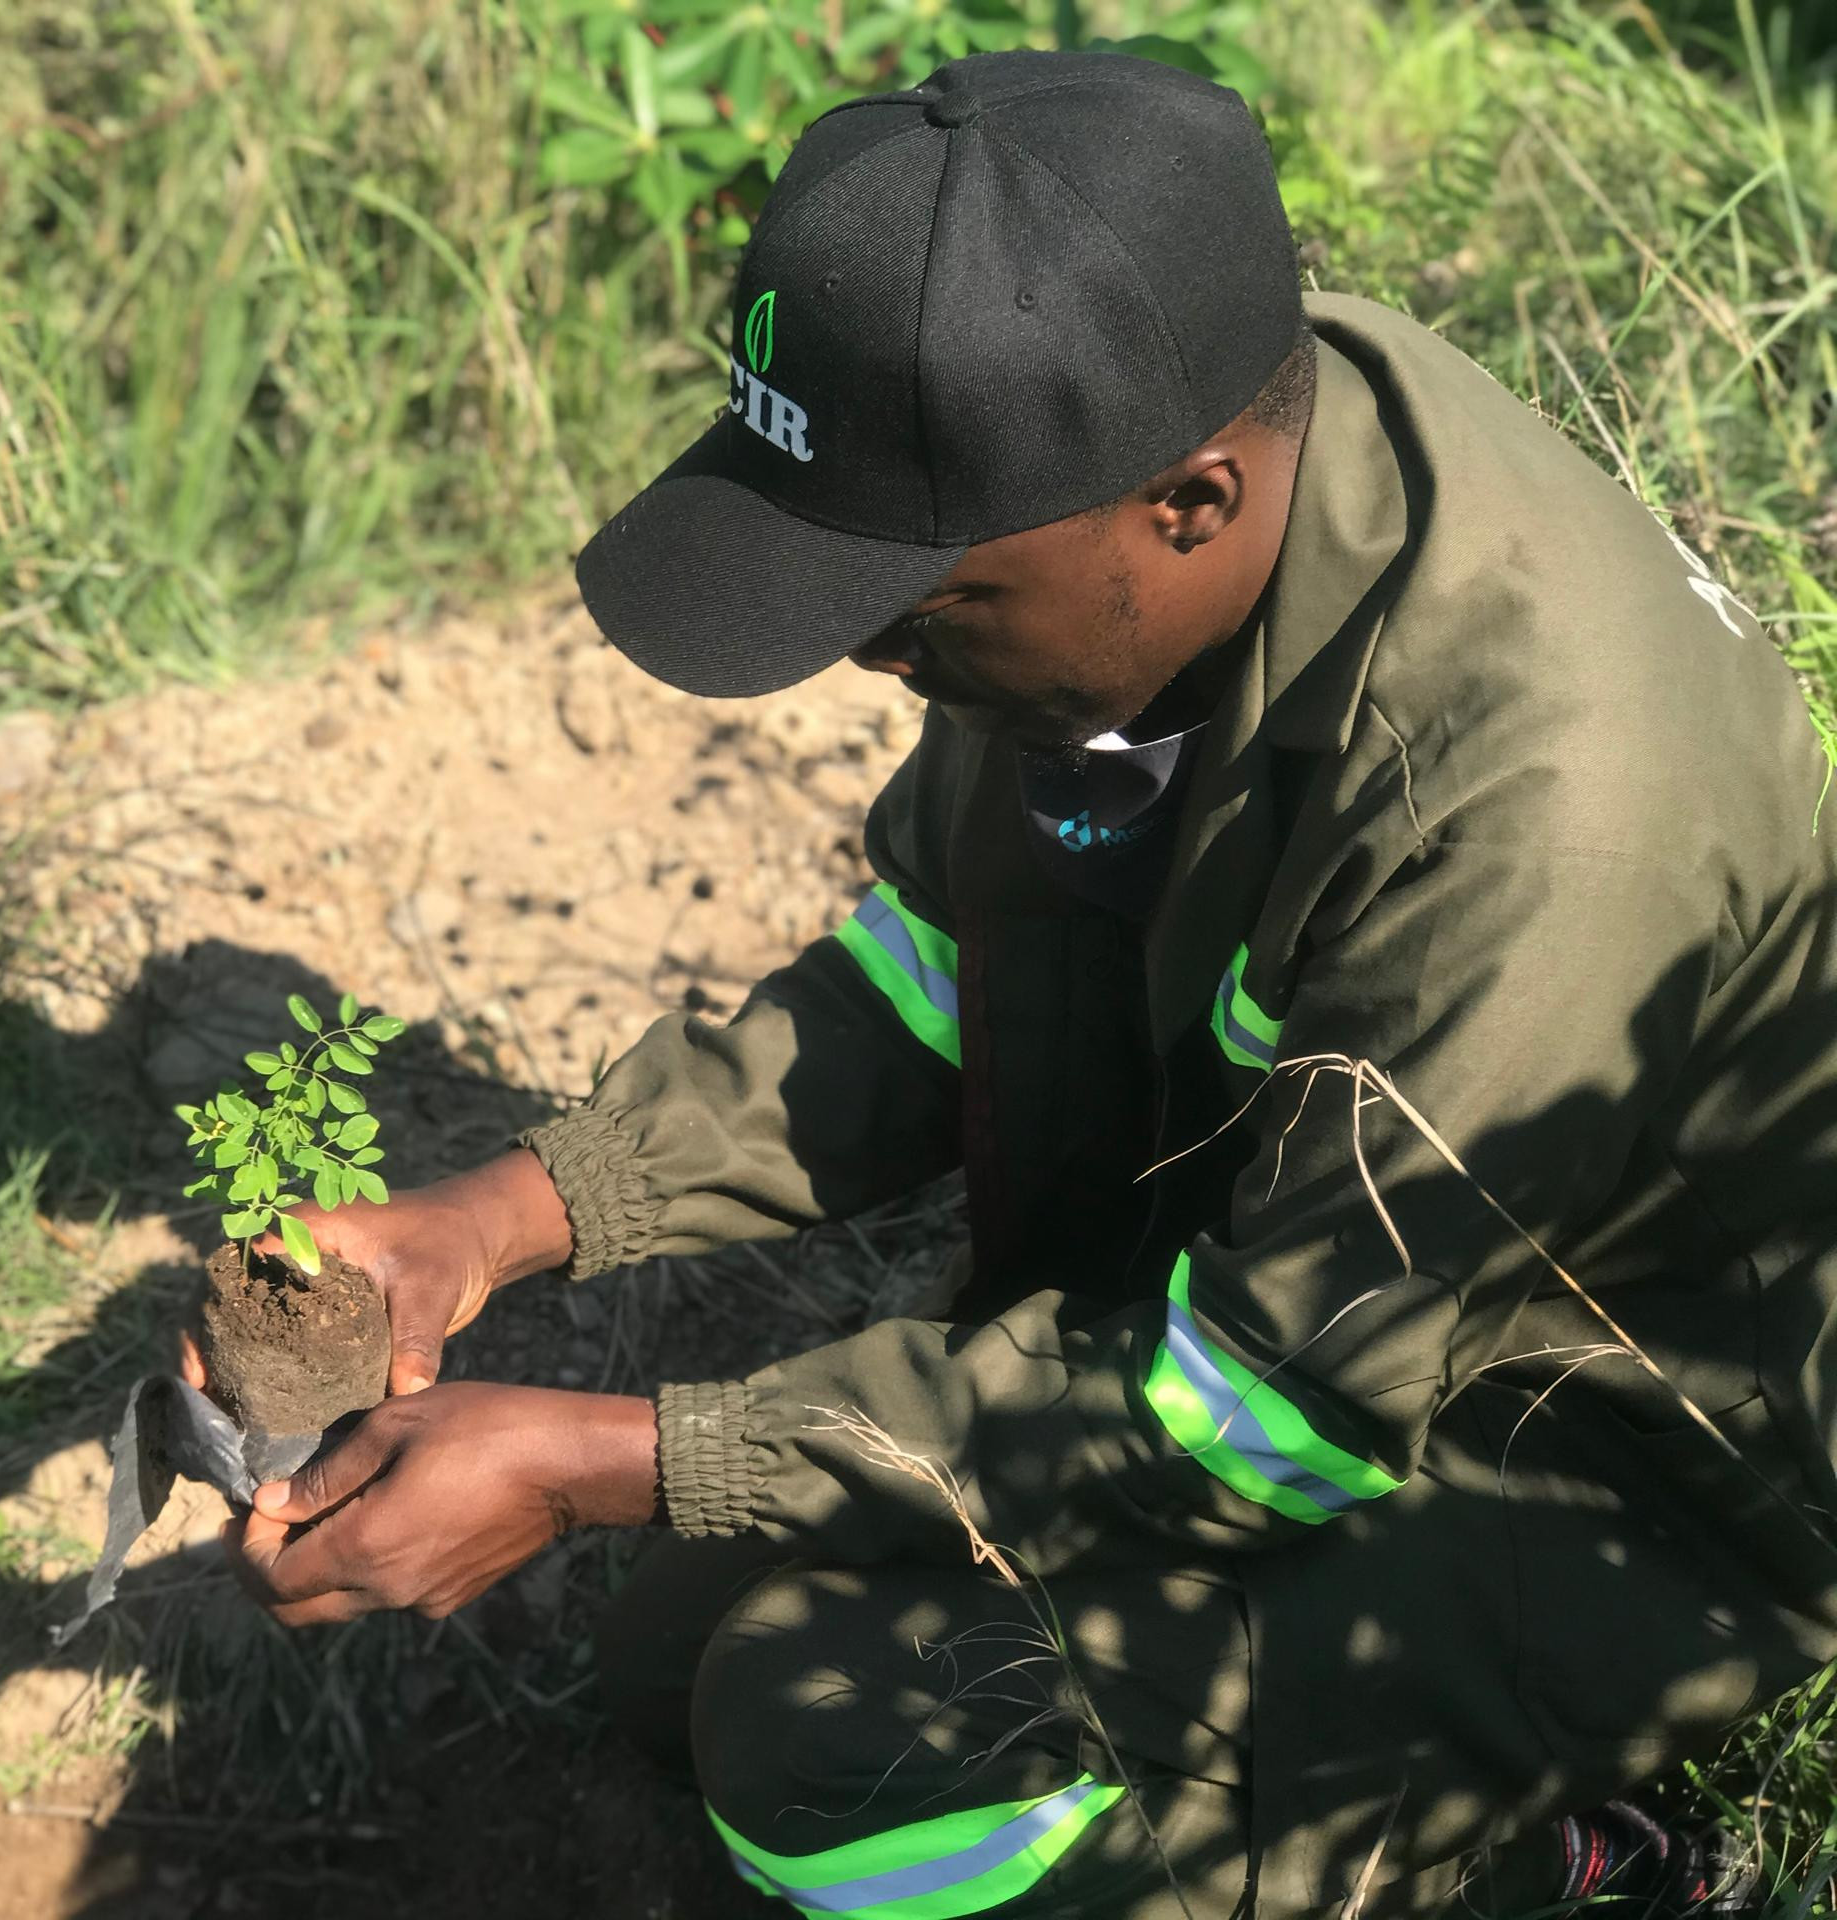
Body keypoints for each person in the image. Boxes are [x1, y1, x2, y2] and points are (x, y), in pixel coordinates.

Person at [208, 48, 1837, 1919]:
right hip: (1294, 1296)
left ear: (1190, 504)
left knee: (833, 1746)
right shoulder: (1147, 441)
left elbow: (1269, 1416)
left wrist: (609, 1458)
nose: (875, 663)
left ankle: (1528, 1871)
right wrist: (498, 1221)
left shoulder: (1540, 813)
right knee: (674, 1660)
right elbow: (938, 978)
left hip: (1598, 1464)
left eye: (915, 610)